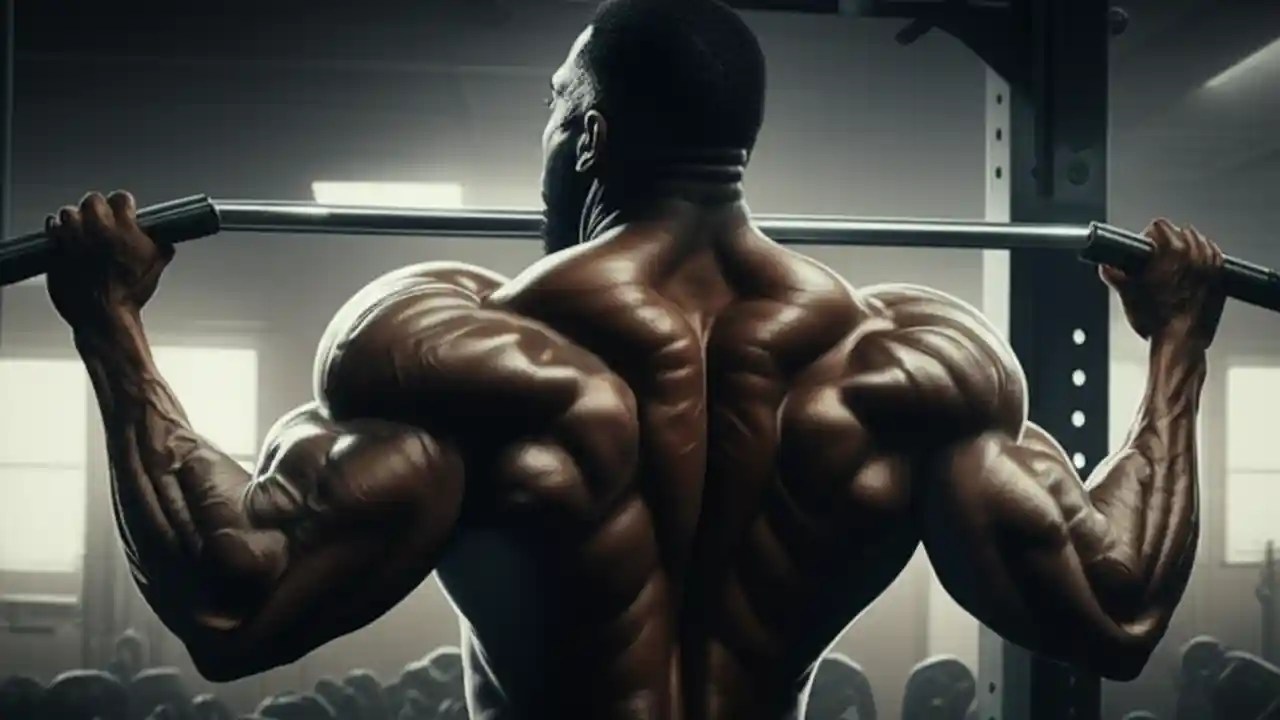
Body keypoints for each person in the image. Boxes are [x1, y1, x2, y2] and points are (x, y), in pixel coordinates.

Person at [42, 0, 1226, 717]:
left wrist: (109, 321)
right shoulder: (902, 361)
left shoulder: (458, 345)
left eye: (550, 115)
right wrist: (1176, 344)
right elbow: (1115, 608)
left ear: (588, 133)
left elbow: (232, 598)